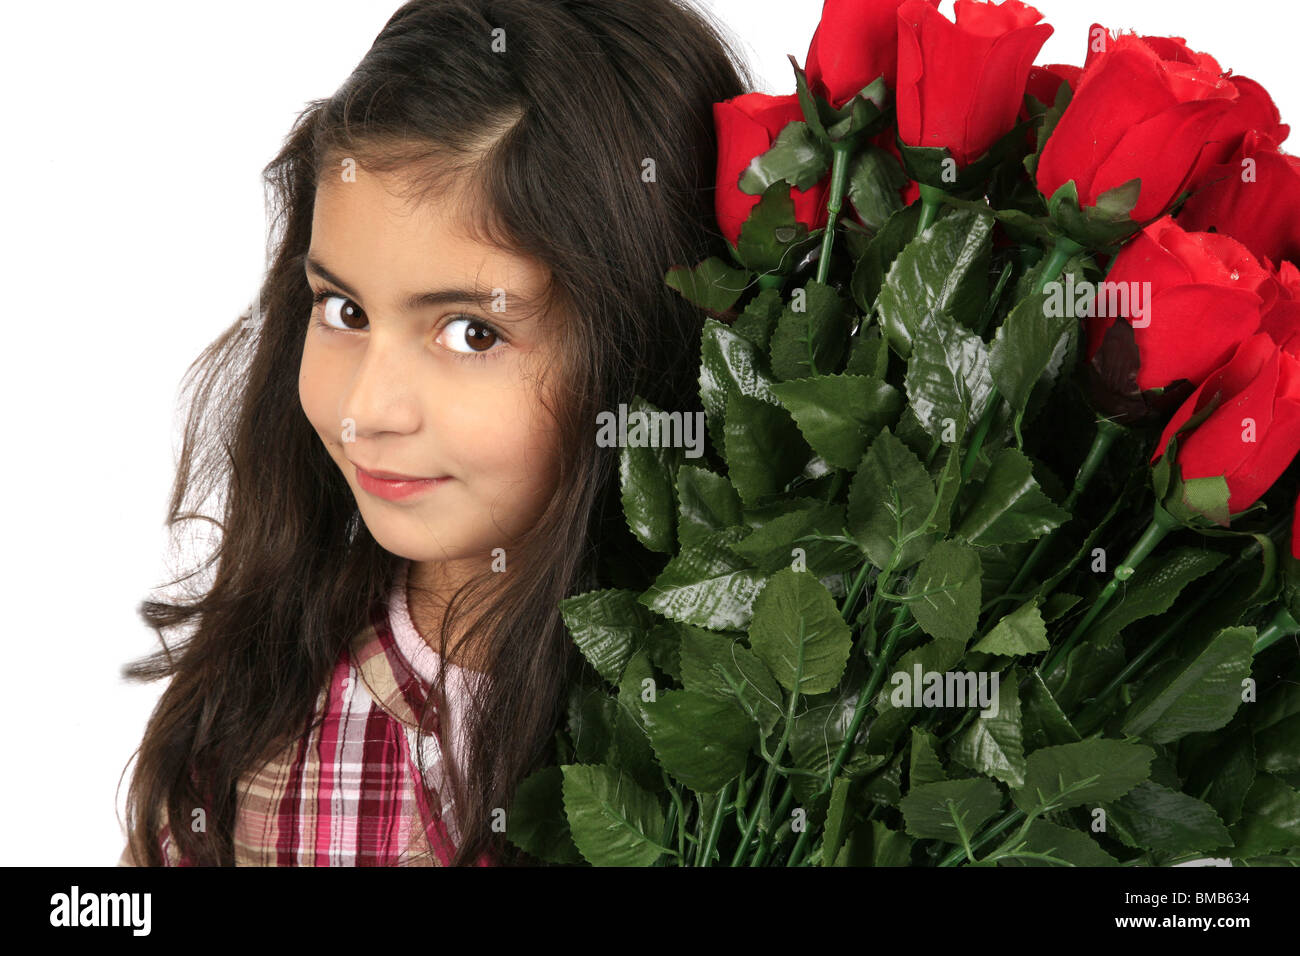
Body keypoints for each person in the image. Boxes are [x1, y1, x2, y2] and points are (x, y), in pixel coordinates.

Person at [116, 0, 750, 866]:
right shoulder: (257, 731)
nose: (368, 408)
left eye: (470, 333)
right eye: (343, 310)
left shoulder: (761, 730)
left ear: (641, 347)